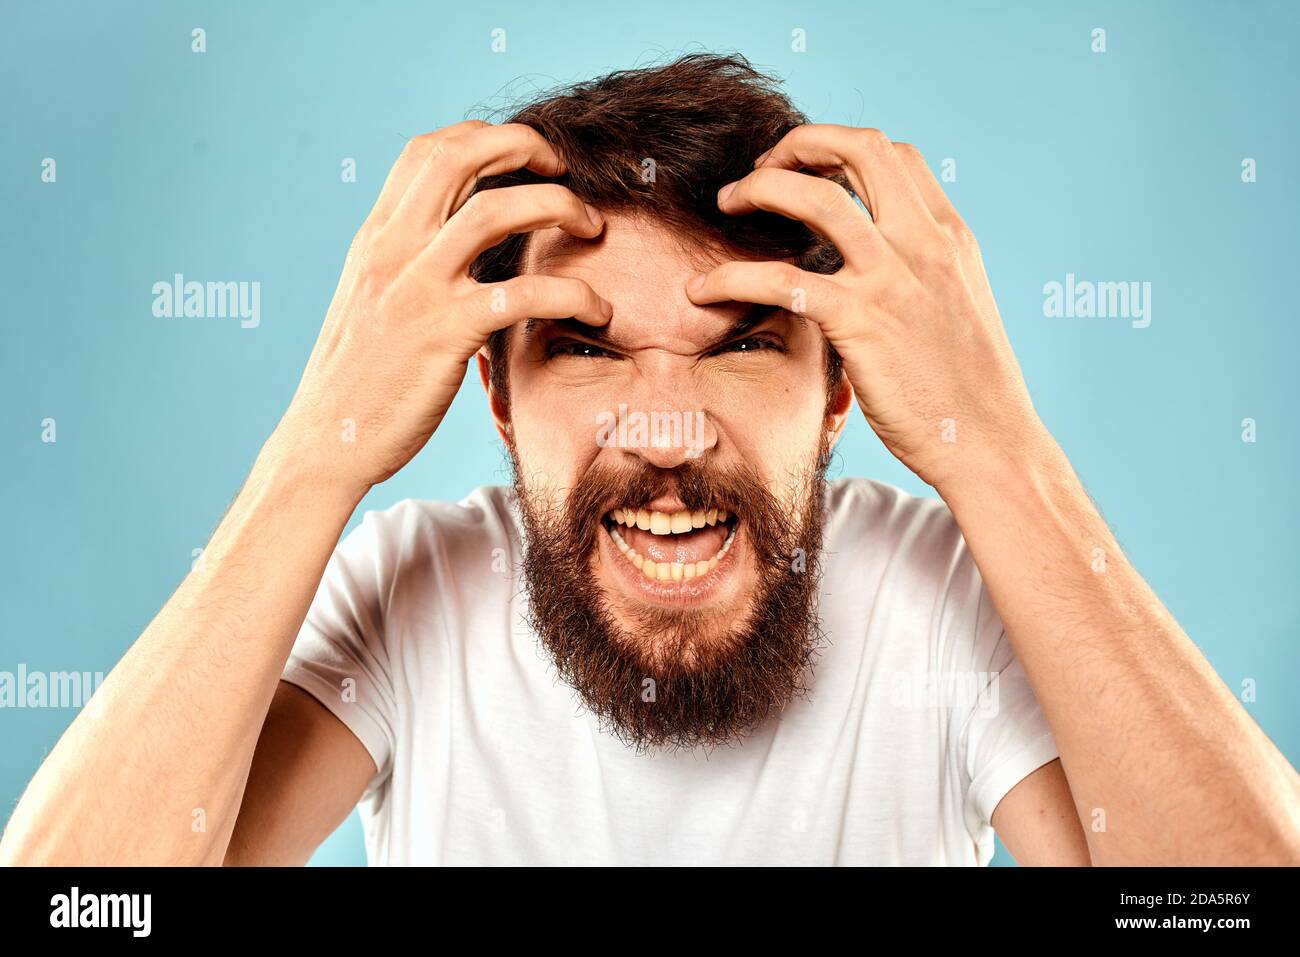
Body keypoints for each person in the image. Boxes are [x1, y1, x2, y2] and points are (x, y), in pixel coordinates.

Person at [3, 54, 1297, 866]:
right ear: (497, 399)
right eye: (585, 348)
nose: (665, 434)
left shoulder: (936, 587)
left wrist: (999, 449)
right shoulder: (415, 584)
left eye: (738, 347)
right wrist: (314, 455)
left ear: (844, 385)